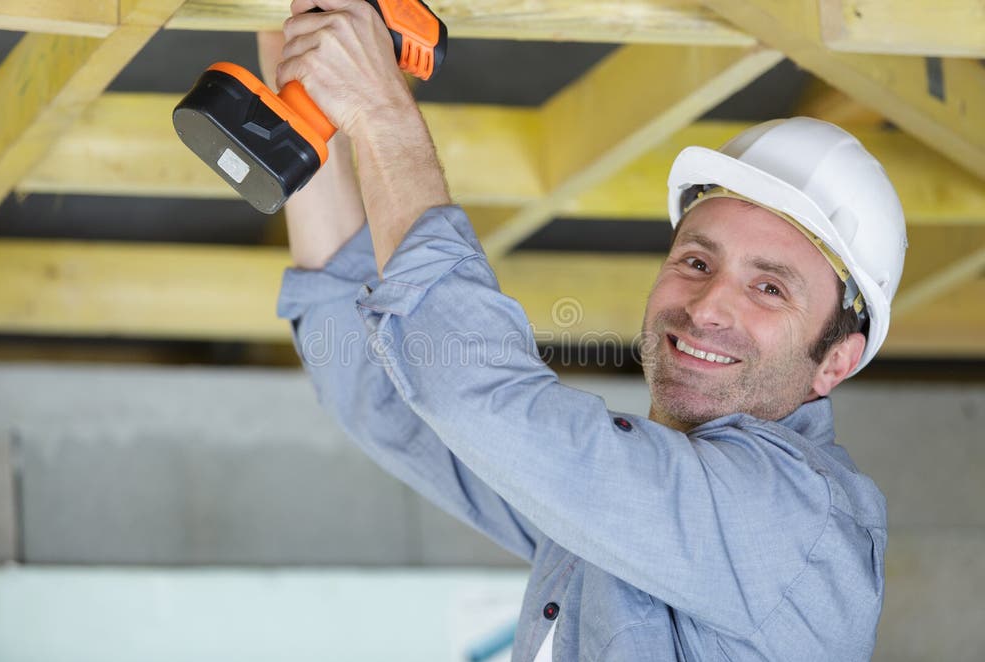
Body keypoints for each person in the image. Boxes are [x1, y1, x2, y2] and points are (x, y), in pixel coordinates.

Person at [267, 1, 908, 659]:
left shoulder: (787, 524)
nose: (710, 305)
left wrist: (380, 112)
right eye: (696, 260)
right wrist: (294, 77)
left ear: (836, 361)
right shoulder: (620, 511)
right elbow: (388, 404)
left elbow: (476, 398)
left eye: (769, 288)